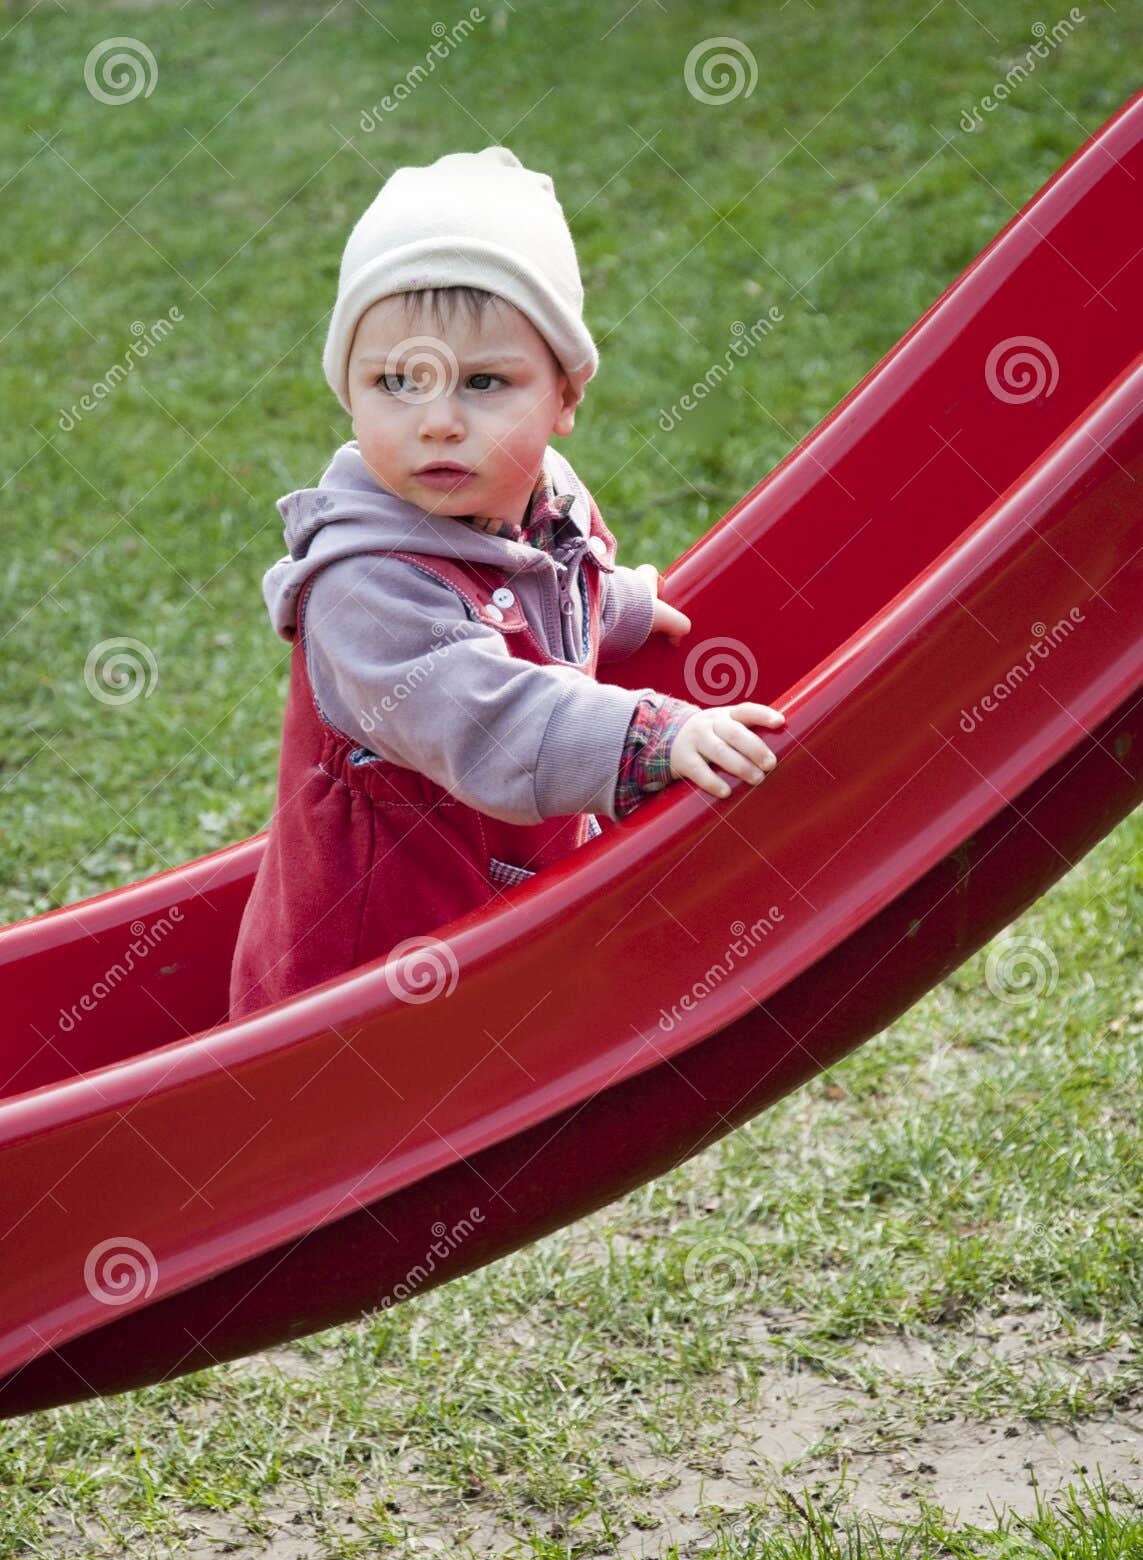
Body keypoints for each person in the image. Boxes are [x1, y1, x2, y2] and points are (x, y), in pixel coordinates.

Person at [227, 146, 785, 1020]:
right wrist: (646, 737)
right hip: (369, 993)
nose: (439, 421)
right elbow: (487, 715)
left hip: (508, 933)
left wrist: (621, 607)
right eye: (395, 384)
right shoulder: (363, 588)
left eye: (485, 382)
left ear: (564, 397)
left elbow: (554, 584)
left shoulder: (544, 496)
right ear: (349, 395)